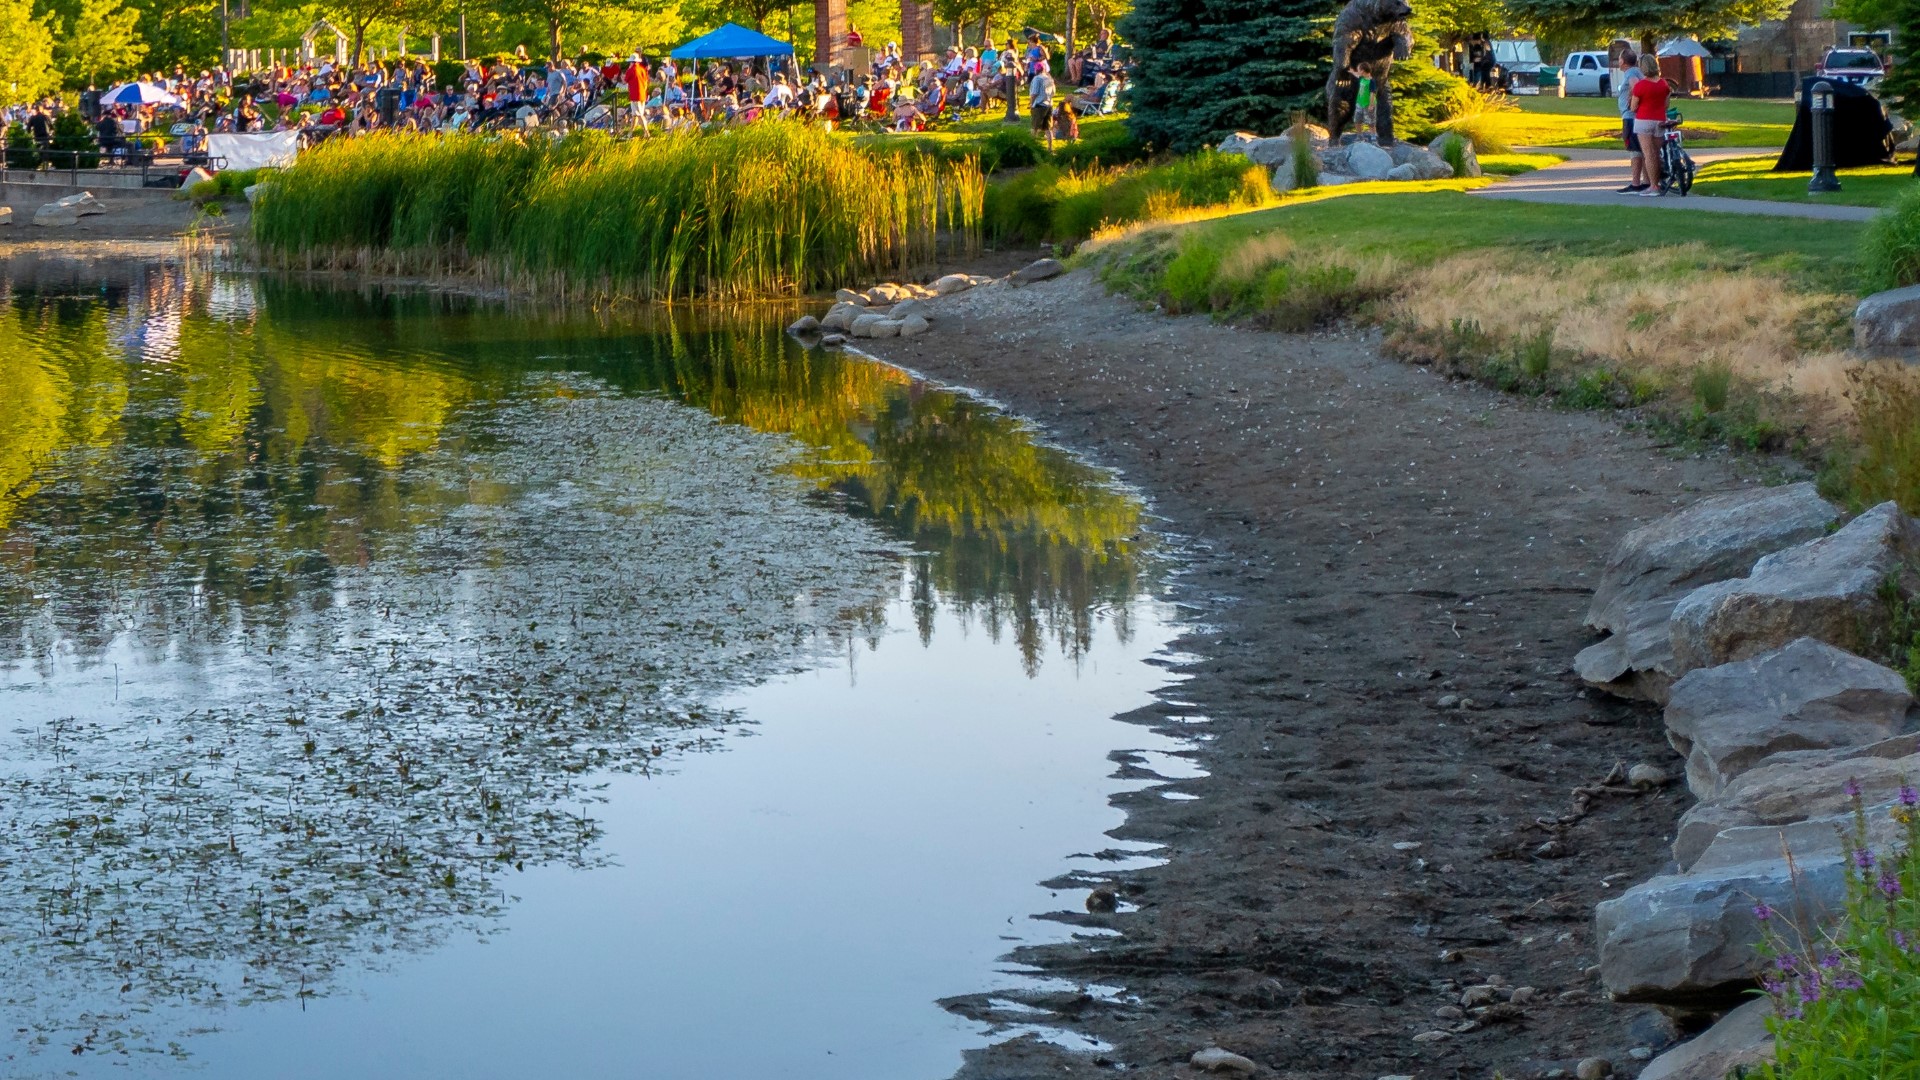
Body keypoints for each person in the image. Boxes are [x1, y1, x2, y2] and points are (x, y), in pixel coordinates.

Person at [1628, 53, 1671, 197]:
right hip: (1660, 120)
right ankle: (1657, 182)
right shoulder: (1663, 84)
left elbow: (1633, 107)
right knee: (1656, 153)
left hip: (1644, 121)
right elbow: (1666, 105)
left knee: (1648, 154)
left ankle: (1653, 186)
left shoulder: (1640, 86)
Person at [1613, 49, 1646, 193]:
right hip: (1636, 116)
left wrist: (1632, 98)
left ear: (1623, 61)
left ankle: (1636, 183)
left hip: (1630, 117)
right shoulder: (1637, 71)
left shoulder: (1631, 73)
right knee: (1642, 150)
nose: (1618, 61)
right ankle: (1647, 181)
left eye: (1619, 59)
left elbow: (1636, 86)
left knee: (1634, 150)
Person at [1029, 62, 1055, 148]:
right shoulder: (1049, 78)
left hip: (1039, 105)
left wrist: (1031, 104)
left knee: (1034, 128)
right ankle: (1050, 148)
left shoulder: (1037, 79)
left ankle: (1032, 147)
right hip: (1049, 105)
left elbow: (1034, 93)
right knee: (1048, 129)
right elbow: (1053, 93)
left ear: (1036, 70)